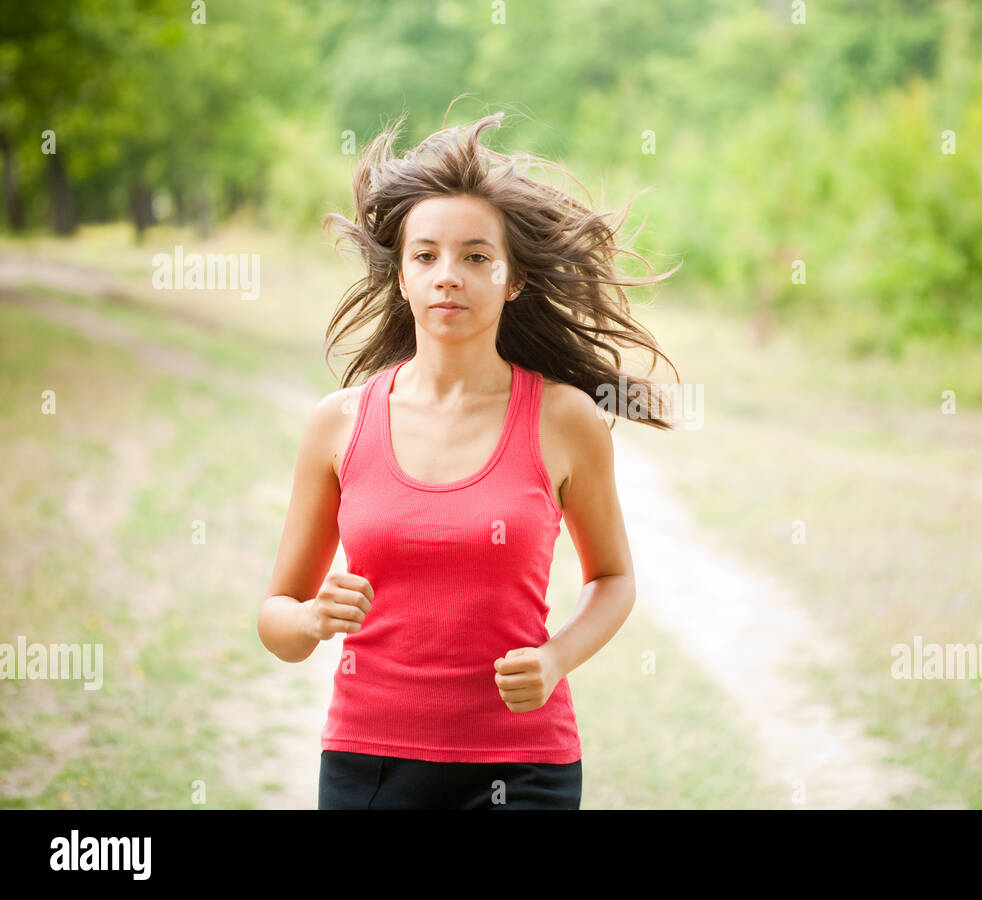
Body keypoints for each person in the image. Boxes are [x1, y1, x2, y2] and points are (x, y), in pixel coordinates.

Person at [256, 107, 681, 809]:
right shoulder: (339, 424)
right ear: (400, 277)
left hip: (524, 768)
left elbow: (613, 578)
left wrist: (555, 658)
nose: (448, 275)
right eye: (425, 256)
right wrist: (311, 620)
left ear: (513, 280)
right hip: (370, 761)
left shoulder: (564, 419)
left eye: (476, 257)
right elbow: (278, 619)